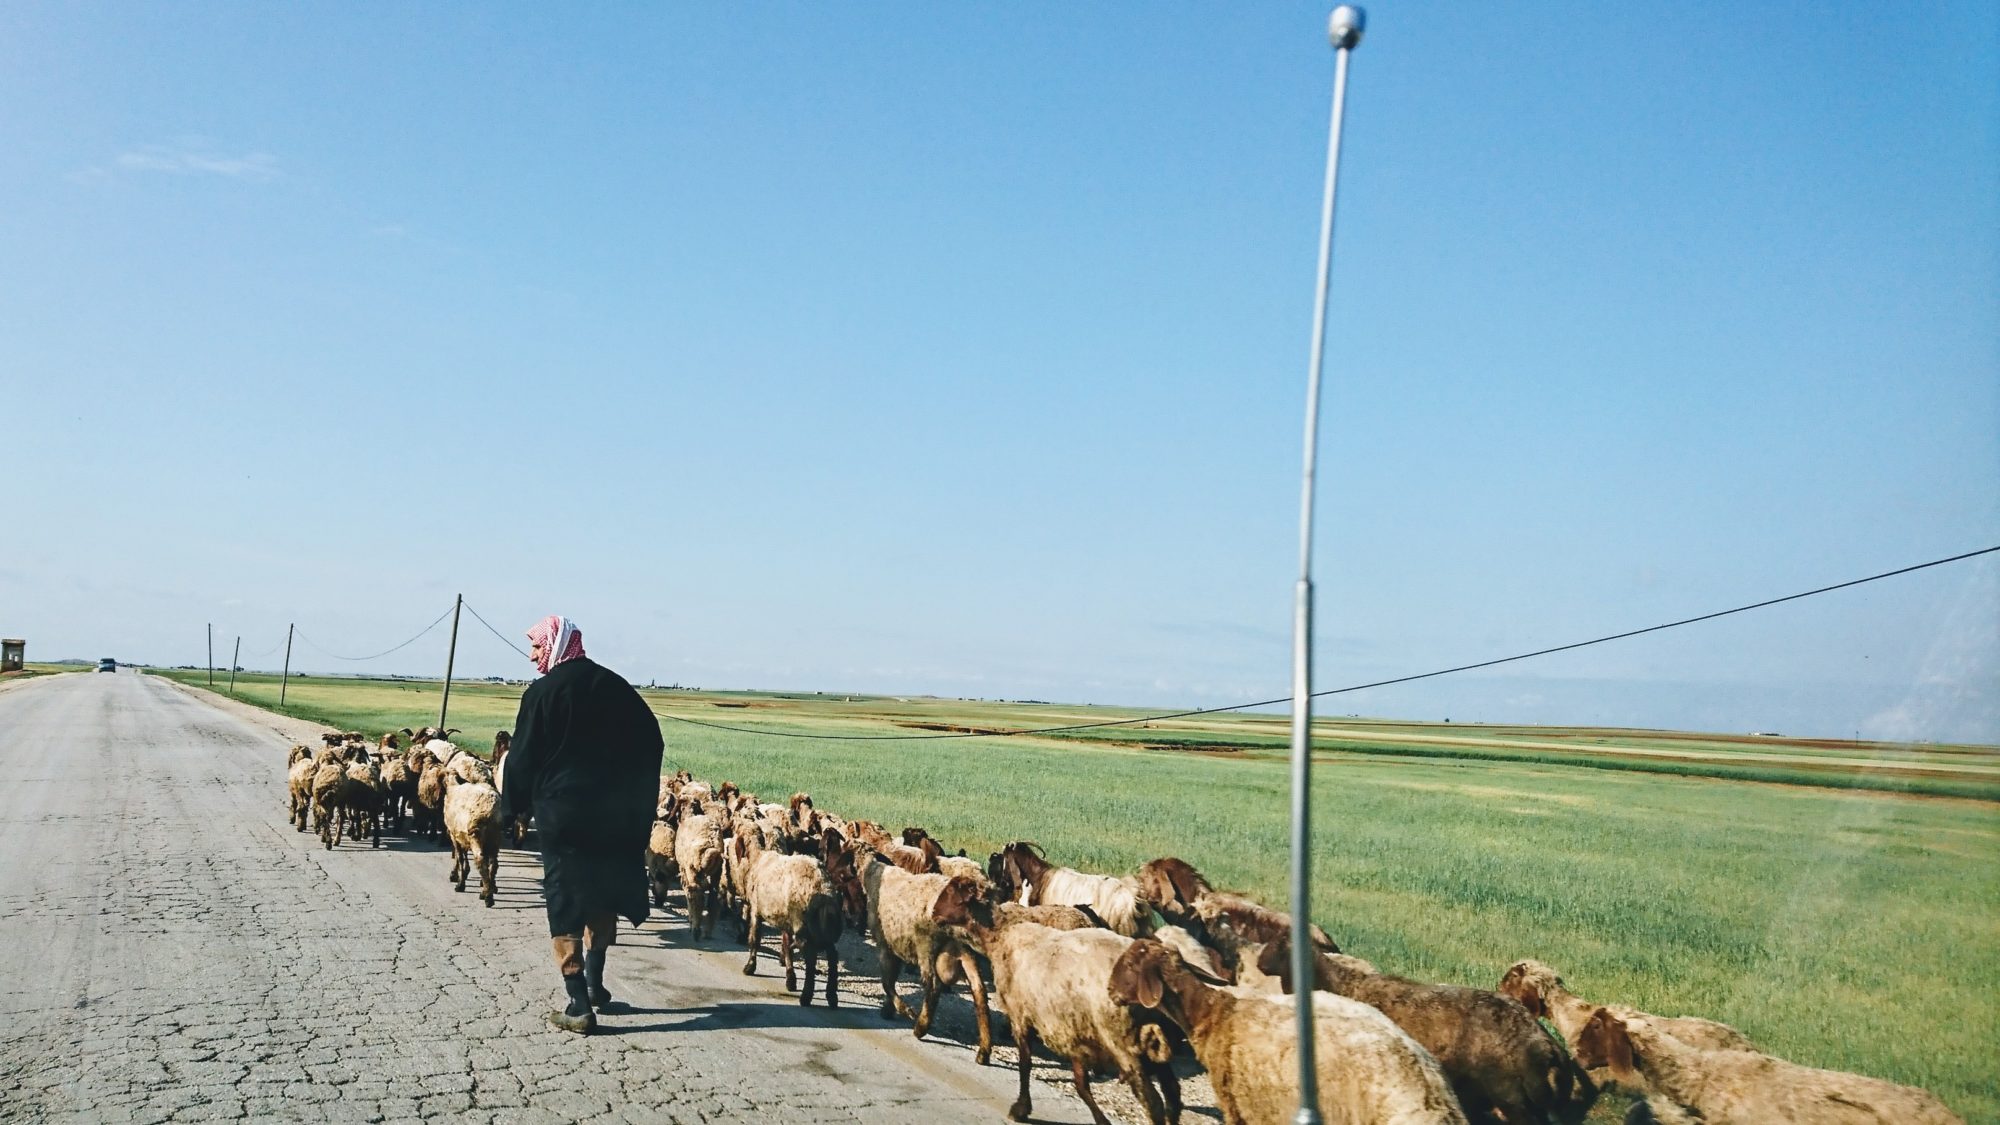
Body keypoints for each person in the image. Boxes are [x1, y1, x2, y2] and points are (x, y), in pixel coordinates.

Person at [499, 614, 664, 1034]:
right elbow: (652, 740)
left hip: (564, 817)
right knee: (603, 891)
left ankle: (577, 1003)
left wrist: (511, 810)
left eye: (537, 646)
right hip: (614, 817)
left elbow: (521, 758)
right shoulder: (617, 689)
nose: (533, 654)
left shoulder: (543, 694)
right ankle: (595, 983)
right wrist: (634, 798)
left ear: (555, 644)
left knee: (565, 896)